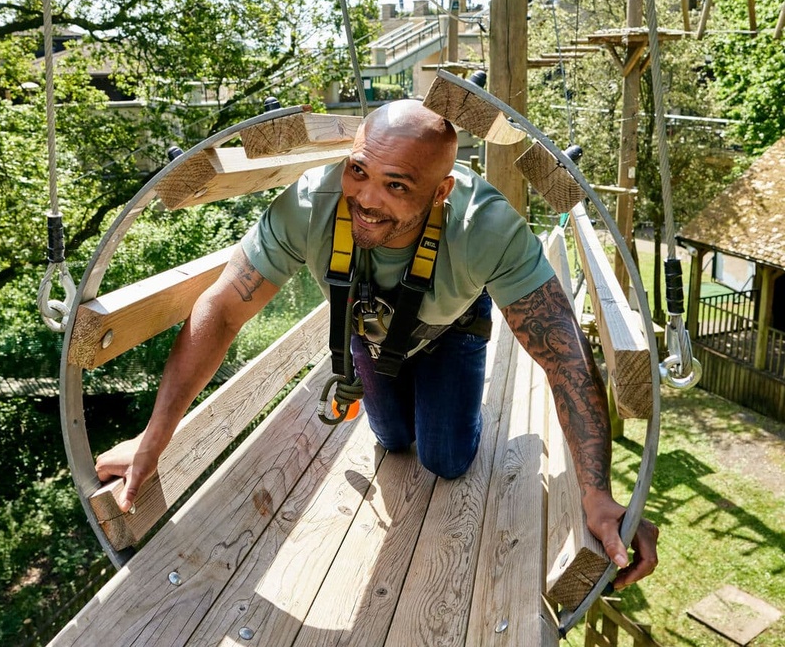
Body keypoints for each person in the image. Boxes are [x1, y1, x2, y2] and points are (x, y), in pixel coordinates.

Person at [96, 99, 658, 590]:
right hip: (369, 326)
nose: (365, 198)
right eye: (358, 170)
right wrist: (153, 439)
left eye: (396, 185)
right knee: (390, 439)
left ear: (441, 192)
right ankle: (401, 389)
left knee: (446, 459)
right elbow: (220, 311)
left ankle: (454, 397)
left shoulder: (484, 227)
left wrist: (595, 491)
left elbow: (562, 355)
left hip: (451, 326)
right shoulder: (312, 205)